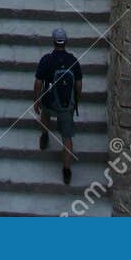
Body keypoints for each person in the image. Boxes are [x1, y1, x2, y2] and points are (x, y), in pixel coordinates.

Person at [34, 28, 82, 186]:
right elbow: (78, 85)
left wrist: (36, 100)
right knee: (67, 137)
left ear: (53, 41)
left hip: (50, 102)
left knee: (45, 113)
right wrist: (76, 101)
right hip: (66, 106)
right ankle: (66, 170)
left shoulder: (46, 60)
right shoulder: (73, 60)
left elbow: (38, 83)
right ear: (66, 41)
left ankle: (44, 135)